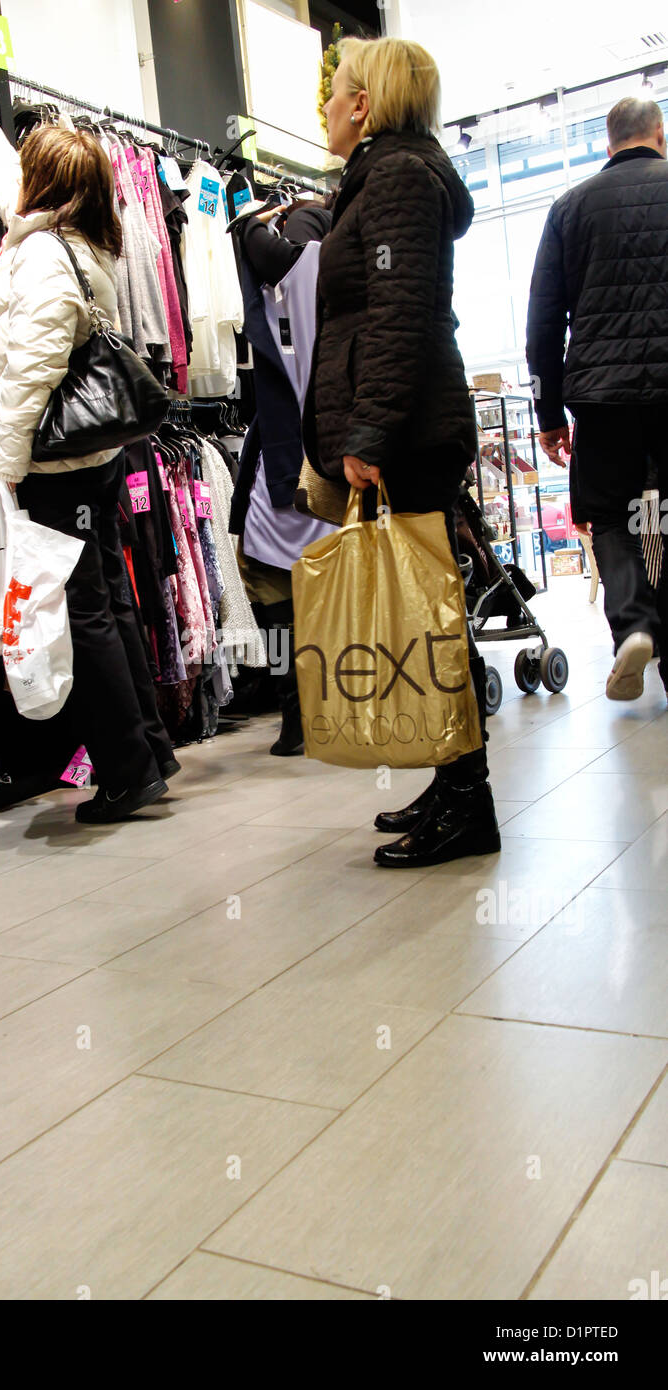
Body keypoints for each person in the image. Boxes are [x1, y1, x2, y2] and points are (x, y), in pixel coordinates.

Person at [0, 79, 178, 822]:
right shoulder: (66, 235)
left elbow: (28, 378)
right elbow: (7, 181)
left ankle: (127, 772)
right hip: (90, 464)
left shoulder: (44, 257)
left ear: (48, 186)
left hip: (53, 468)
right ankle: (147, 752)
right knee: (104, 600)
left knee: (85, 615)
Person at [303, 35, 499, 869]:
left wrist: (369, 433)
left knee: (430, 616)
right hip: (409, 427)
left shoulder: (395, 177)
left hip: (408, 432)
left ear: (367, 104)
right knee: (428, 610)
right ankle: (452, 779)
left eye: (336, 89)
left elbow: (399, 311)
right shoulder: (388, 174)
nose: (326, 105)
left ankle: (468, 802)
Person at [526, 96, 668, 701]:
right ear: (659, 135)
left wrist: (549, 414)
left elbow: (542, 324)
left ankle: (634, 624)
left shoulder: (568, 207)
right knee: (662, 514)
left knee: (611, 515)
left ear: (606, 144)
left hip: (601, 397)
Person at [228, 195, 337, 757]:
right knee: (322, 596)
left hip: (285, 462)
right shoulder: (342, 273)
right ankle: (320, 706)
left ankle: (295, 710)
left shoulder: (307, 261)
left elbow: (251, 240)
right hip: (321, 467)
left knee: (275, 593)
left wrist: (254, 217)